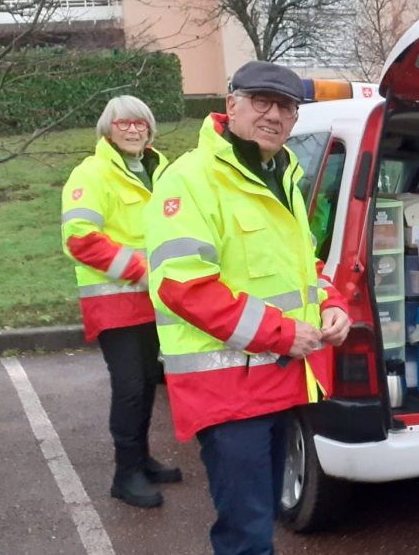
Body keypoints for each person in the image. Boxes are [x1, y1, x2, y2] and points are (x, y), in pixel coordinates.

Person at [144, 61, 351, 555]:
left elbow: (304, 268)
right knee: (247, 533)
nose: (275, 115)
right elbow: (183, 286)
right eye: (262, 102)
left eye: (286, 107)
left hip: (280, 382)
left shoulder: (282, 175)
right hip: (229, 392)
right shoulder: (190, 179)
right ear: (231, 104)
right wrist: (281, 333)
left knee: (258, 523)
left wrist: (333, 305)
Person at [61, 95, 181, 509]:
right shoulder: (90, 174)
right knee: (130, 386)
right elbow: (80, 239)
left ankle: (141, 459)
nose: (133, 130)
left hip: (157, 302)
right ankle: (124, 474)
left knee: (148, 381)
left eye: (140, 124)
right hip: (116, 302)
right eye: (123, 124)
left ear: (150, 129)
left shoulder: (161, 169)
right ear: (107, 130)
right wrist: (140, 268)